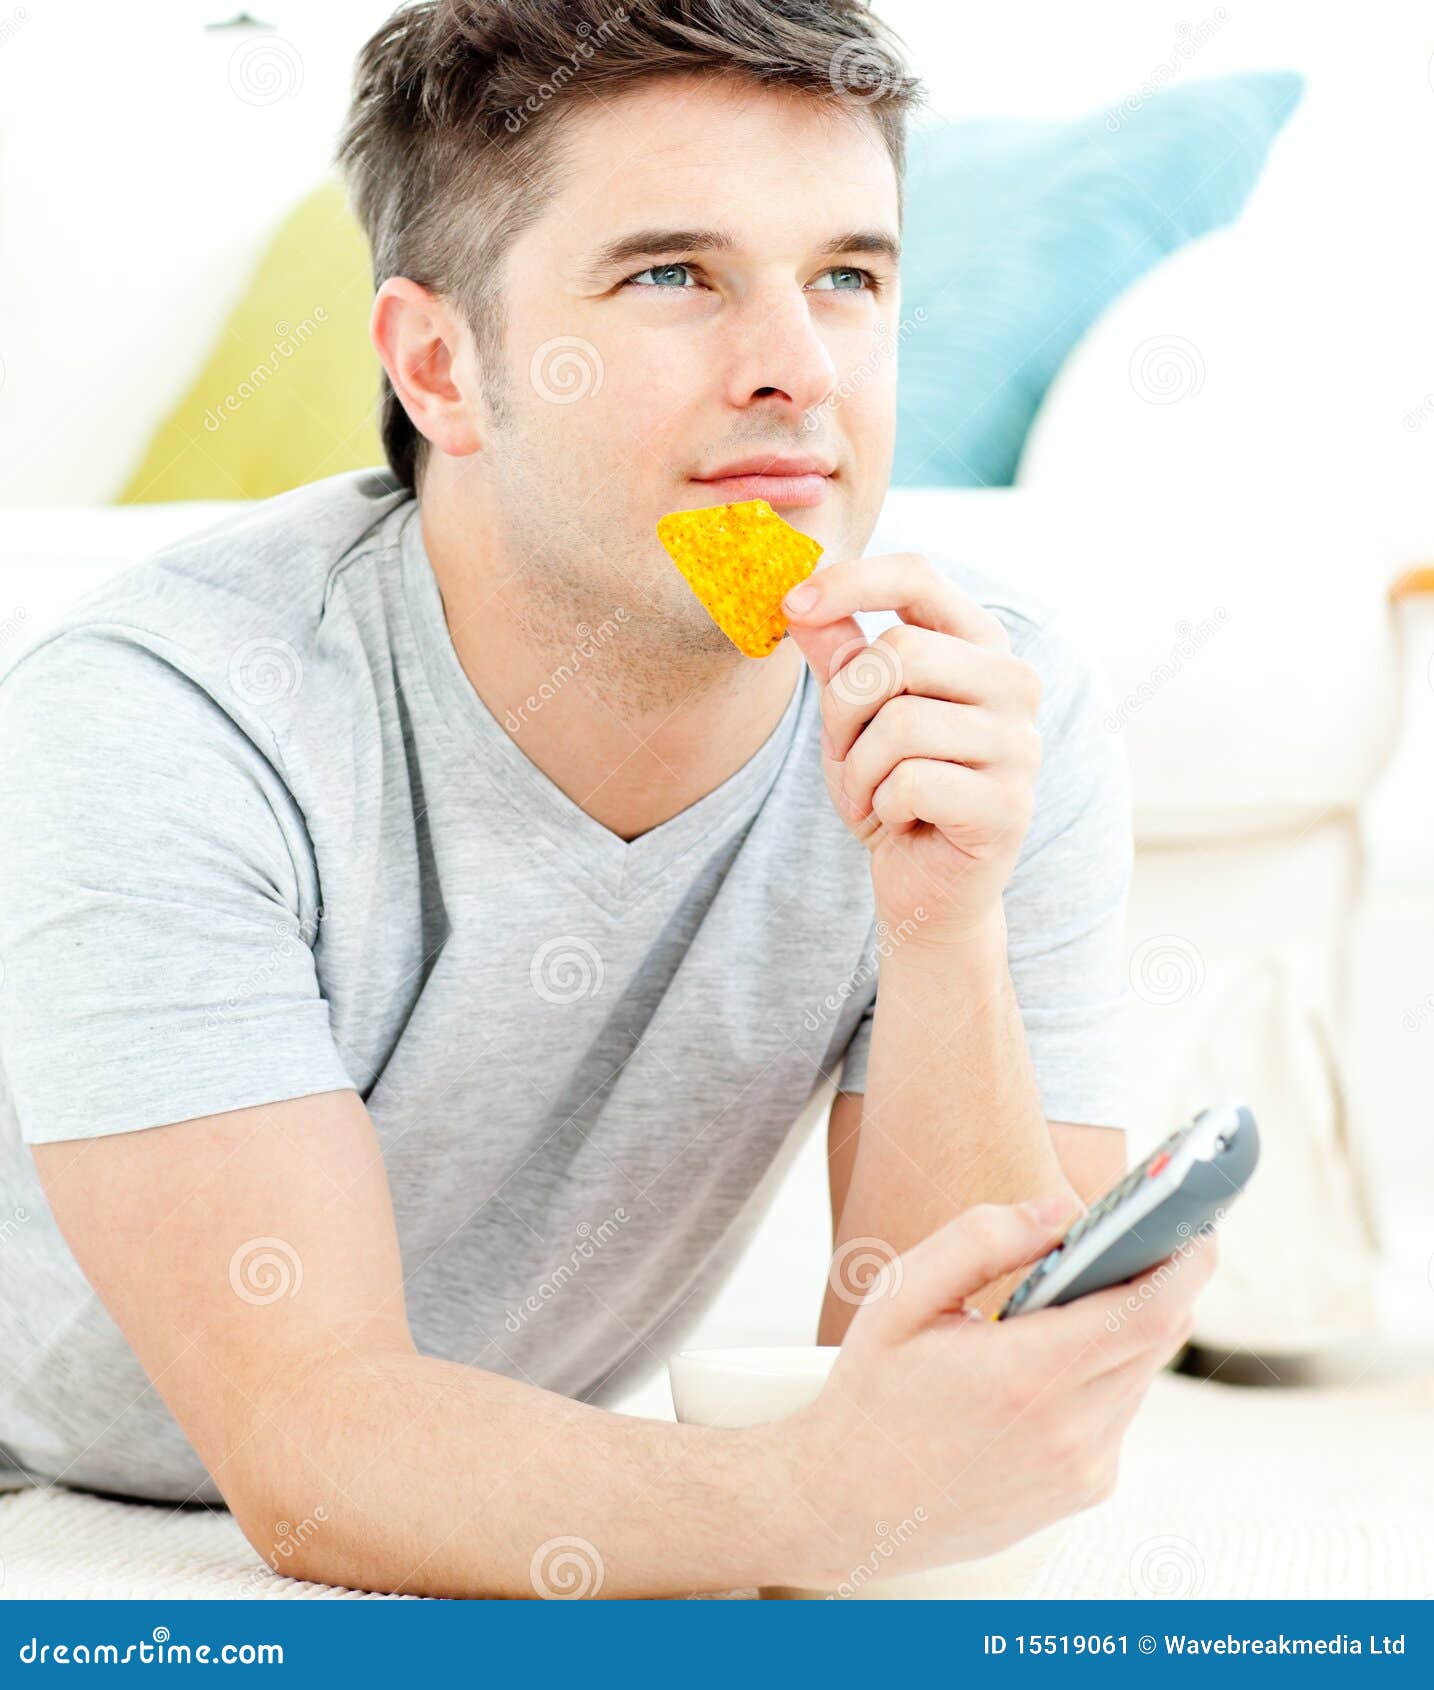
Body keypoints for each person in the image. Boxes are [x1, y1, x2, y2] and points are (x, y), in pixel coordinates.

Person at [0, 0, 1214, 1597]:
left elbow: (952, 1392)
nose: (797, 371)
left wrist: (941, 919)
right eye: (671, 276)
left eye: (847, 276)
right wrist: (807, 1501)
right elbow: (307, 1450)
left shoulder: (987, 706)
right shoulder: (164, 715)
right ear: (440, 366)